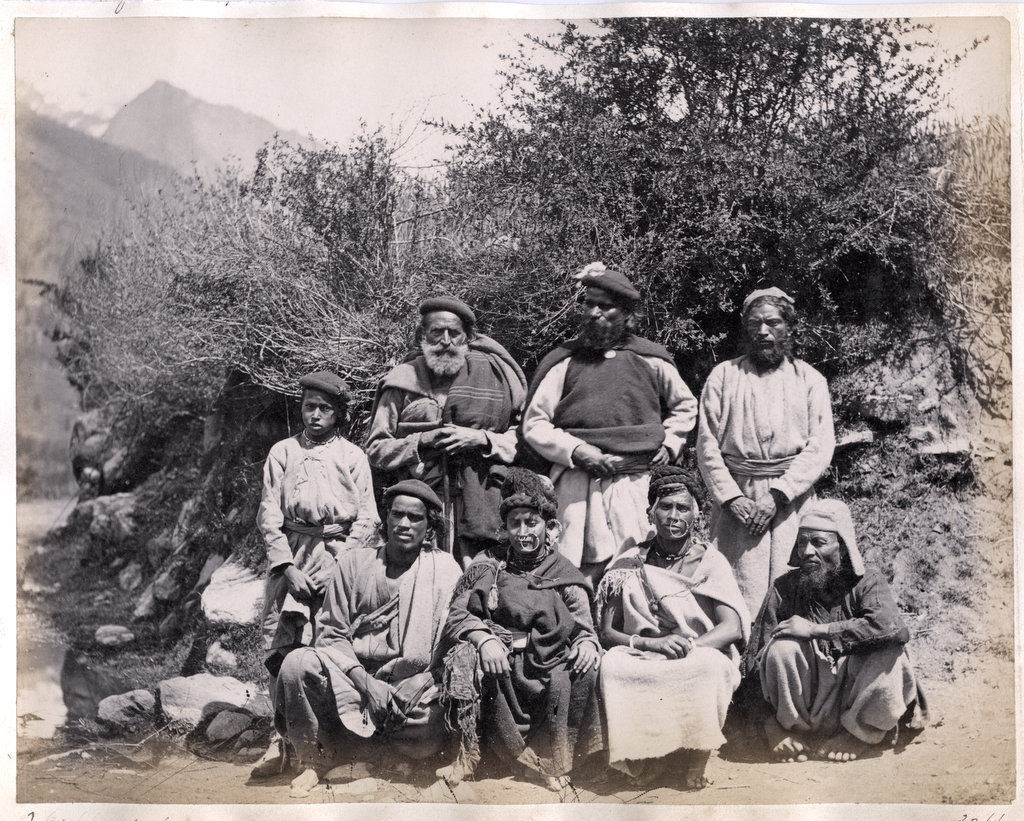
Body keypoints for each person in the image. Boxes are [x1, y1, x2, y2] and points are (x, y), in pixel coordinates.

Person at [272, 480, 464, 790]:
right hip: (353, 681)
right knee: (297, 664)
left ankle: (361, 750)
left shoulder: (445, 570)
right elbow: (331, 633)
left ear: (429, 526)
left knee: (430, 723)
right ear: (385, 518)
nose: (404, 524)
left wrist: (425, 680)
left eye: (415, 518)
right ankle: (313, 760)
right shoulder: (353, 564)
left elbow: (453, 642)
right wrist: (366, 684)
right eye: (397, 514)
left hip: (408, 690)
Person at [521, 262, 698, 584]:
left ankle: (625, 631)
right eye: (589, 303)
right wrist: (576, 450)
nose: (594, 313)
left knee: (633, 562)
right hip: (576, 480)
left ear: (627, 313)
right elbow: (534, 423)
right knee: (571, 565)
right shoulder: (564, 361)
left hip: (632, 480)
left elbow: (685, 407)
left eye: (606, 306)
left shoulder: (651, 358)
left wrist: (671, 443)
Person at [437, 467, 604, 789]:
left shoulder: (565, 574)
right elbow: (457, 613)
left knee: (582, 672)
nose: (523, 532)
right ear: (504, 528)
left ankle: (554, 760)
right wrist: (484, 639)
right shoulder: (488, 565)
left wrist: (585, 644)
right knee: (469, 661)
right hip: (499, 659)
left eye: (532, 522)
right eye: (515, 524)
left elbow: (584, 628)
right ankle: (479, 755)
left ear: (549, 526)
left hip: (547, 659)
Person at [251, 371, 379, 779]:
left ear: (339, 413)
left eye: (325, 408)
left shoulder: (353, 457)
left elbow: (369, 518)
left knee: (331, 647)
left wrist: (341, 567)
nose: (316, 415)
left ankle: (331, 740)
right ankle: (282, 741)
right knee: (282, 648)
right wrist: (287, 567)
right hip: (292, 554)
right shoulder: (283, 452)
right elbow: (269, 515)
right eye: (309, 406)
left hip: (340, 557)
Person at [595, 466, 749, 789]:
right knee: (610, 665)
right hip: (644, 651)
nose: (674, 516)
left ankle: (697, 757)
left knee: (708, 668)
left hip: (696, 650)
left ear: (696, 514)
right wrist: (650, 645)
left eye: (683, 508)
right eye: (665, 507)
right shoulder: (629, 562)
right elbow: (607, 632)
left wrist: (689, 647)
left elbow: (732, 627)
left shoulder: (710, 561)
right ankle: (647, 757)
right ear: (650, 513)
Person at [744, 499, 928, 763]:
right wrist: (770, 729)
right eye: (801, 542)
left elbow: (893, 630)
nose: (807, 551)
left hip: (853, 702)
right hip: (806, 710)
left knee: (889, 652)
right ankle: (791, 731)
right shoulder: (784, 588)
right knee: (780, 648)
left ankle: (858, 734)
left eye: (818, 543)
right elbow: (753, 661)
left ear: (841, 545)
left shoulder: (867, 582)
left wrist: (817, 630)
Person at [696, 287, 835, 617]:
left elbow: (820, 446)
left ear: (788, 328)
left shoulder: (810, 380)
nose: (763, 331)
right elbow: (706, 445)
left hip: (793, 503)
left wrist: (778, 495)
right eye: (755, 324)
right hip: (737, 508)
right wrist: (732, 499)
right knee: (734, 588)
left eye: (772, 323)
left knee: (797, 588)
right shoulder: (723, 377)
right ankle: (739, 661)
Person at [366, 296, 527, 568]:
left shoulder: (497, 378)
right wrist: (422, 441)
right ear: (422, 336)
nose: (445, 340)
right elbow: (376, 449)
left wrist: (482, 438)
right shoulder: (402, 380)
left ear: (467, 337)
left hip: (482, 501)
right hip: (421, 504)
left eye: (454, 333)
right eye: (436, 332)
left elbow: (524, 438)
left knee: (480, 583)